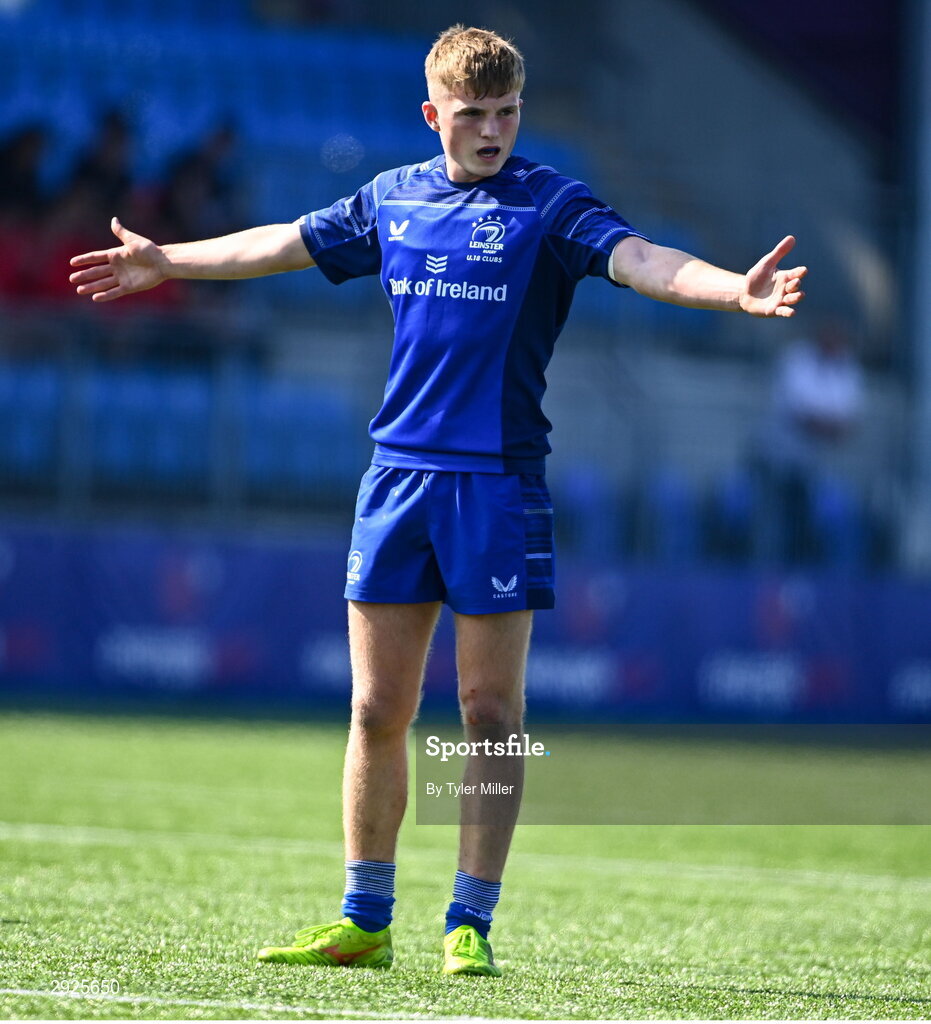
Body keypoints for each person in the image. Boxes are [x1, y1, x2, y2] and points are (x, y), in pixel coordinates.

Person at [69, 24, 807, 977]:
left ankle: (470, 922)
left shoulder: (550, 202)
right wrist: (172, 260)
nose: (492, 131)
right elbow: (284, 242)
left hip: (496, 485)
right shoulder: (393, 197)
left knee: (489, 712)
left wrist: (728, 292)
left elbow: (640, 259)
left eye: (506, 113)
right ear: (433, 116)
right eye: (473, 116)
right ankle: (363, 917)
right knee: (378, 706)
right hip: (397, 479)